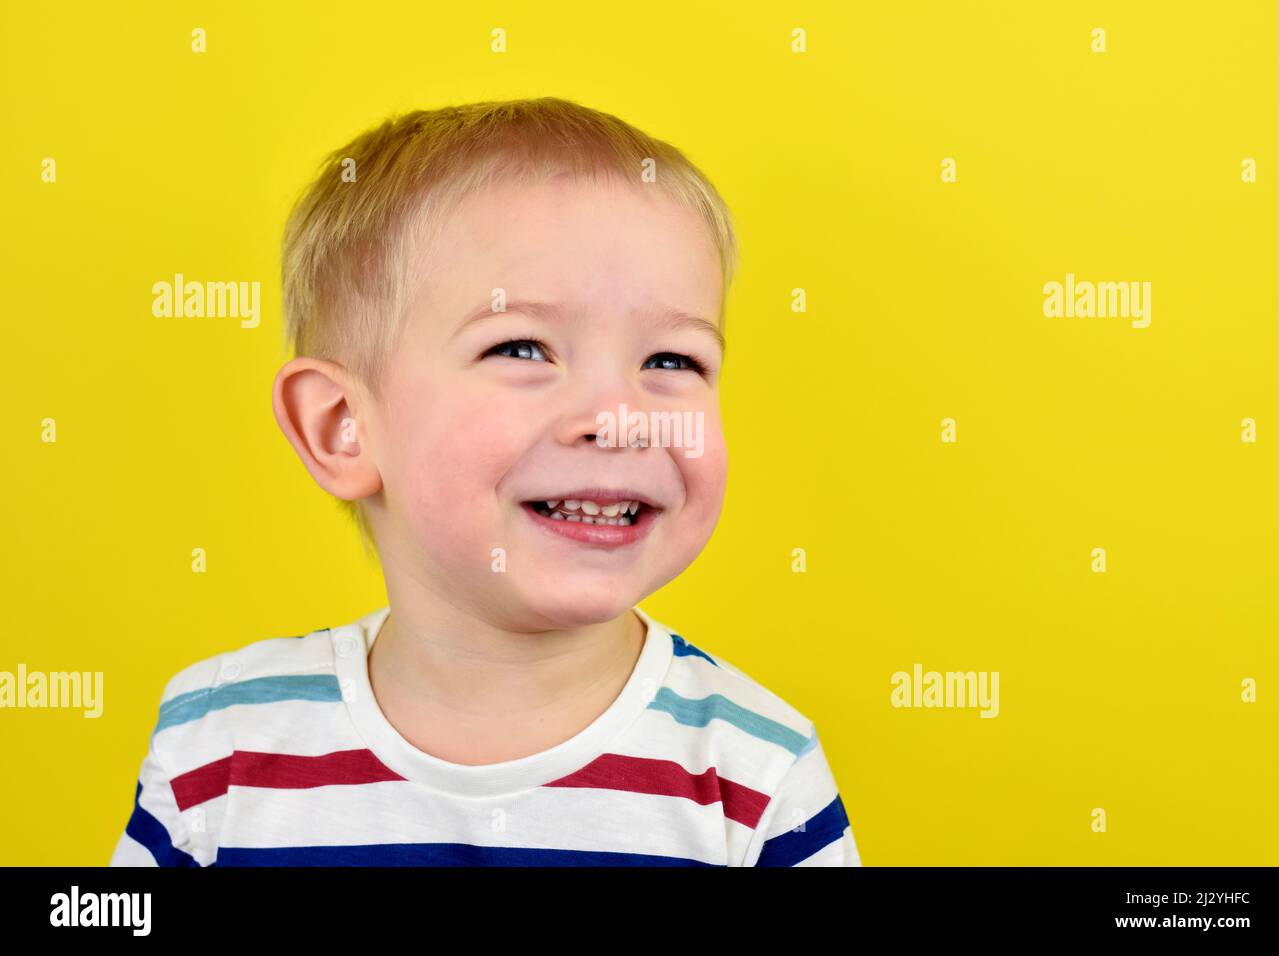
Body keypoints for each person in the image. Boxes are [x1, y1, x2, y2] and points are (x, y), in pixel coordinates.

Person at [109, 97, 859, 866]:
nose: (620, 418)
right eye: (524, 349)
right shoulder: (220, 749)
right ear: (342, 426)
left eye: (672, 362)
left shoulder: (759, 777)